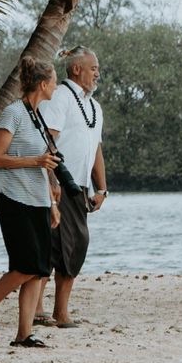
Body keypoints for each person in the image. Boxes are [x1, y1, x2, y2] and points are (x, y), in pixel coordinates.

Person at [0, 59, 62, 348]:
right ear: (44, 84)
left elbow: (44, 164)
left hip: (37, 199)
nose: (57, 86)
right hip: (12, 197)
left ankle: (24, 335)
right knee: (25, 264)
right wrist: (35, 160)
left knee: (38, 268)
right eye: (55, 81)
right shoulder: (13, 113)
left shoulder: (38, 118)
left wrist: (53, 202)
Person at [46, 49, 109, 328]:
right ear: (75, 69)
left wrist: (102, 189)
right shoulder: (61, 96)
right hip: (59, 183)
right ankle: (56, 312)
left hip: (80, 187)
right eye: (93, 67)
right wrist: (51, 181)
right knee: (58, 246)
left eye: (97, 68)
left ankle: (56, 310)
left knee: (75, 245)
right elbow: (48, 140)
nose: (97, 72)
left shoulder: (94, 107)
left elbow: (95, 149)